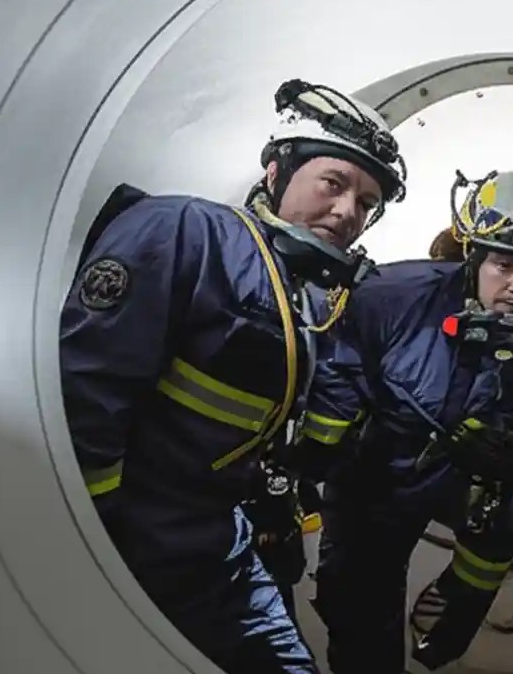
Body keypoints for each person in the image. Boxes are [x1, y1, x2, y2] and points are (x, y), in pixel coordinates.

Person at [59, 79, 407, 673]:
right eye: (335, 183)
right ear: (276, 171)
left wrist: (280, 506)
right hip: (135, 544)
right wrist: (96, 545)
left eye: (368, 203)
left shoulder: (313, 302)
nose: (349, 211)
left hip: (224, 550)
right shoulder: (184, 230)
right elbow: (88, 389)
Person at [286, 170, 513, 673]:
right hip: (377, 478)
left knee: (506, 510)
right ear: (473, 256)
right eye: (504, 264)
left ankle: (456, 612)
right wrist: (316, 453)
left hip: (464, 483)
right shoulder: (393, 295)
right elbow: (340, 369)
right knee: (358, 615)